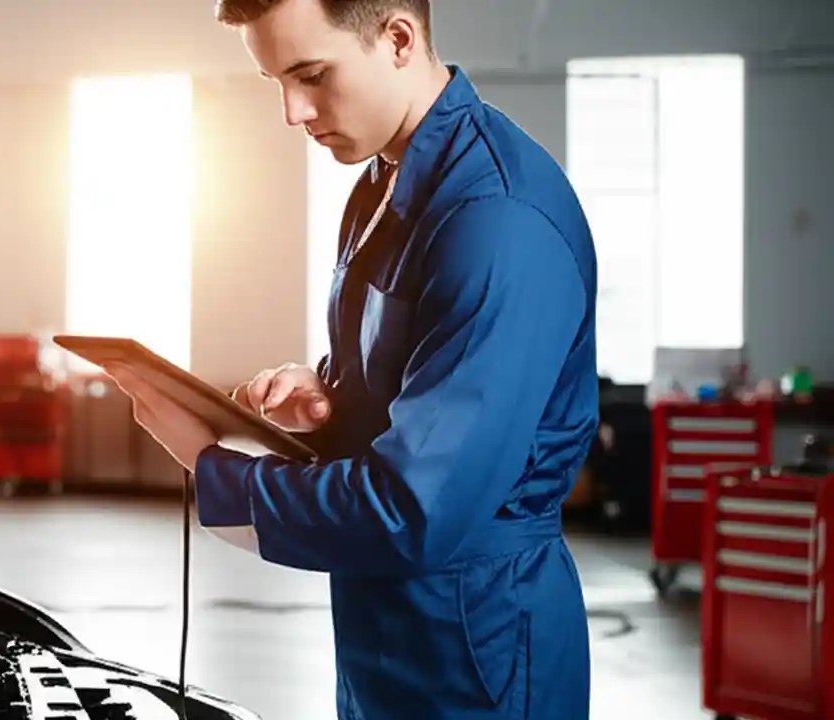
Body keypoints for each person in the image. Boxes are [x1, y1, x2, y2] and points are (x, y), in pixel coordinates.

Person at [103, 0, 598, 717]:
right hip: (385, 628)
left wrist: (214, 465)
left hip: (479, 642)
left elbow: (414, 511)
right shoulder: (382, 185)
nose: (293, 112)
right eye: (275, 81)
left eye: (311, 75)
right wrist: (326, 399)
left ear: (398, 38)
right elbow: (408, 388)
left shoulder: (498, 219)